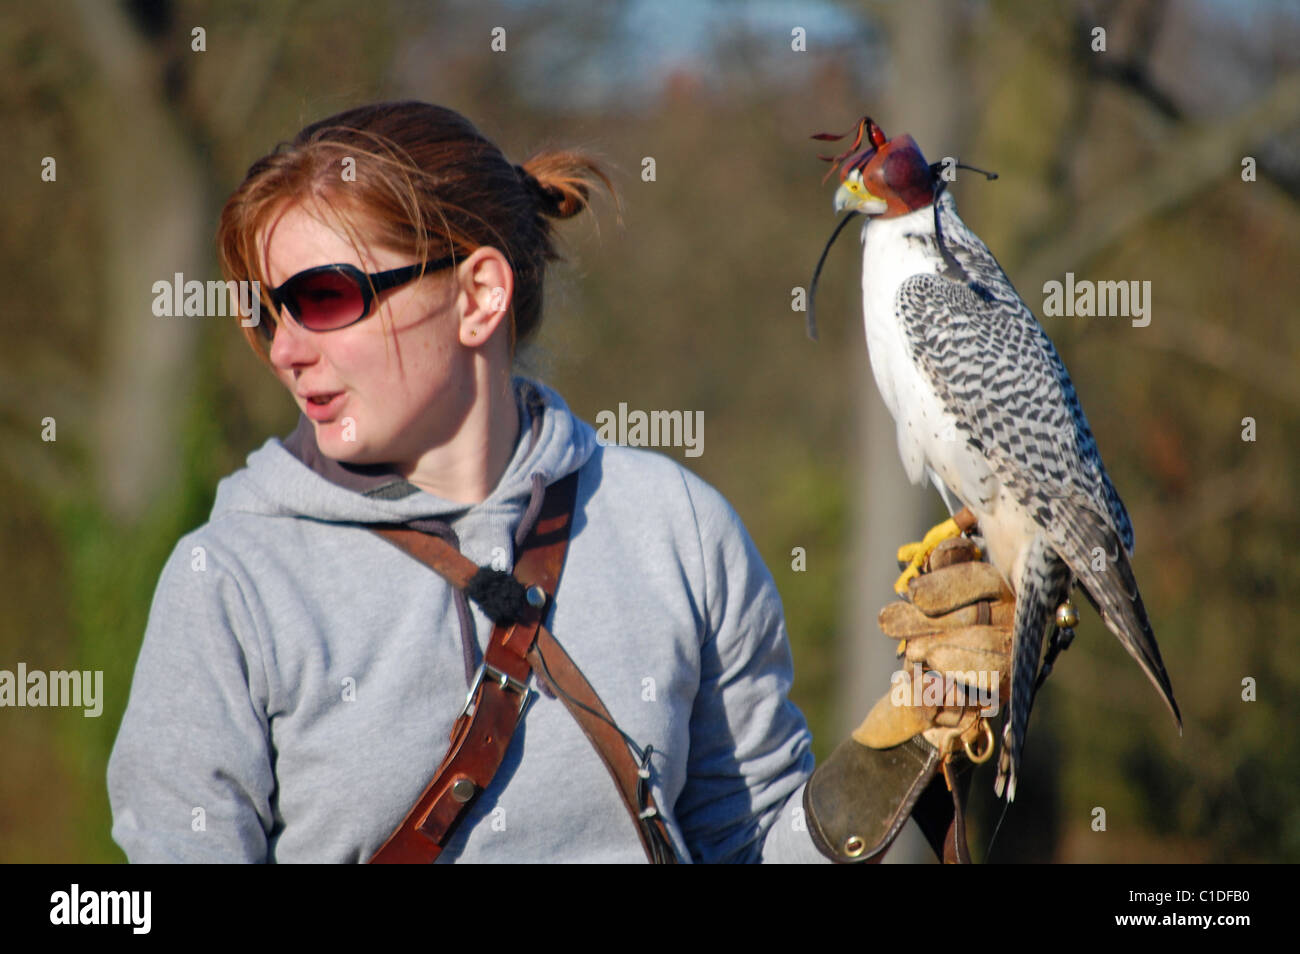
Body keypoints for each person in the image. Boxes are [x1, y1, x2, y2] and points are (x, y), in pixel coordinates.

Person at [107, 101, 1009, 864]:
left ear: (477, 297)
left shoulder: (678, 532)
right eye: (264, 312)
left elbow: (745, 846)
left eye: (326, 297)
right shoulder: (227, 581)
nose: (286, 347)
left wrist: (902, 753)